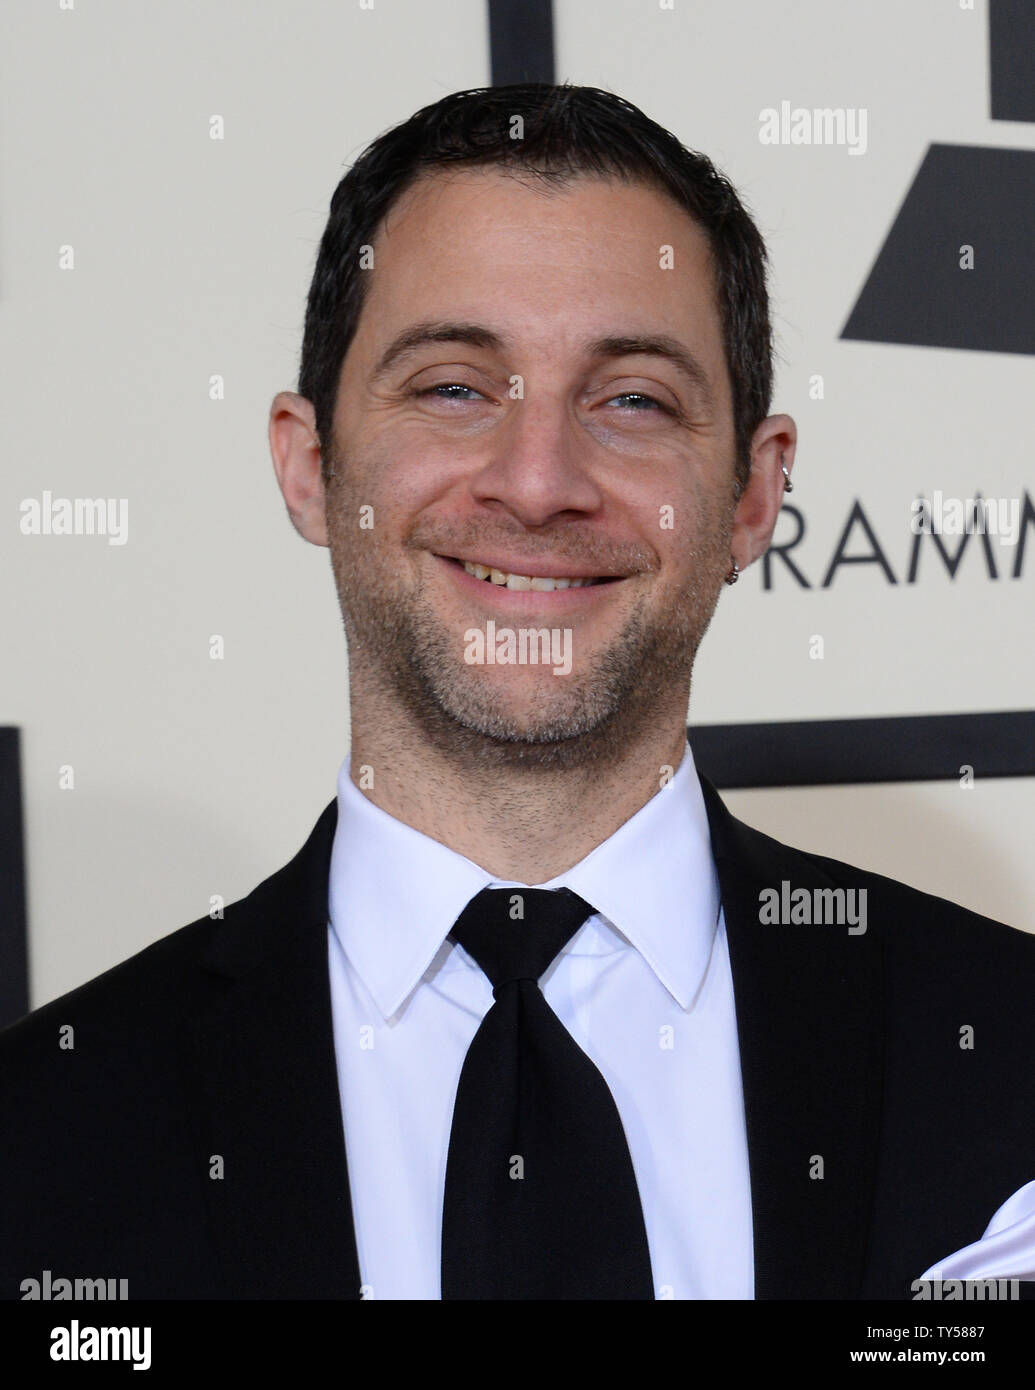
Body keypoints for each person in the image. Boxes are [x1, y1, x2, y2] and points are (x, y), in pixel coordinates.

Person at [3, 83, 1034, 1302]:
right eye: (452, 386)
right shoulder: (42, 1135)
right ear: (309, 464)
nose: (539, 481)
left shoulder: (1004, 1052)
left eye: (633, 399)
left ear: (755, 495)